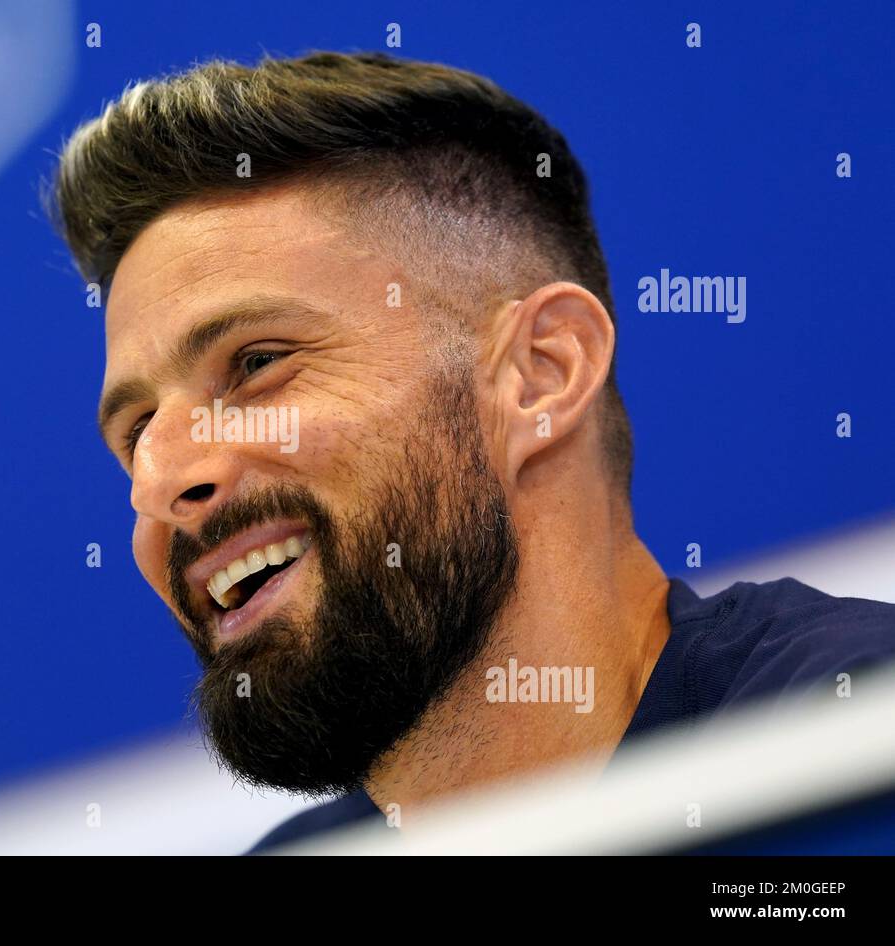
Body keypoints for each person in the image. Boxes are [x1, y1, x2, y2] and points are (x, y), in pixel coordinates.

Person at [45, 51, 895, 853]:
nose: (158, 481)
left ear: (540, 374)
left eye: (259, 365)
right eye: (137, 432)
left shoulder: (851, 749)